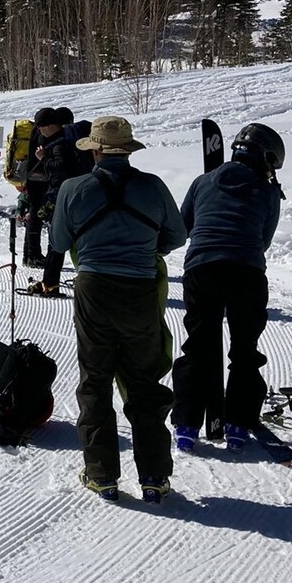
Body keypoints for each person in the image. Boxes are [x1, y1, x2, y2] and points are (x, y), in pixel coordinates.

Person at [48, 115, 187, 504]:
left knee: (95, 379)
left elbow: (59, 241)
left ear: (94, 149)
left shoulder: (74, 188)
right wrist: (143, 247)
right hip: (141, 288)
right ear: (127, 150)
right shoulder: (153, 186)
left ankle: (102, 474)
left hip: (93, 287)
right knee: (144, 379)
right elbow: (176, 235)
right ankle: (155, 477)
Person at [172, 123, 285, 454]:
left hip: (201, 269)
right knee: (245, 350)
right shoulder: (267, 191)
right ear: (265, 158)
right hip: (247, 272)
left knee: (198, 347)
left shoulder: (202, 181)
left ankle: (187, 425)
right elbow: (263, 240)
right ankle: (238, 424)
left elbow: (183, 227)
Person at [29, 108, 82, 296]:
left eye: (41, 127)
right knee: (72, 240)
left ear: (51, 126)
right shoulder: (63, 139)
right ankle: (51, 283)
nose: (39, 130)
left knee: (57, 240)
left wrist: (44, 159)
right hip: (71, 196)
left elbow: (62, 168)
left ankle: (50, 284)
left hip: (62, 197)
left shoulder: (60, 144)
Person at [20, 108, 56, 267]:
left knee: (34, 216)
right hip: (39, 180)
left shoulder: (35, 132)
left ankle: (29, 255)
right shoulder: (42, 136)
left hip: (33, 179)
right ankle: (33, 255)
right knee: (36, 217)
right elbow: (42, 155)